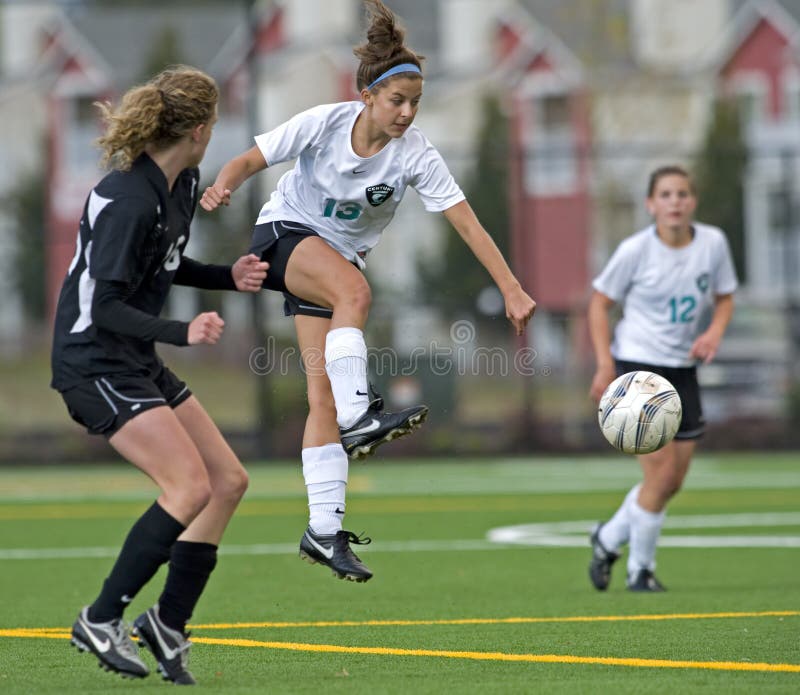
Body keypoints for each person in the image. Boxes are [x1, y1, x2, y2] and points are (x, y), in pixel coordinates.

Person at [200, 0, 536, 584]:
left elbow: (466, 221)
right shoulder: (324, 122)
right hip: (284, 234)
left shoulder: (416, 155)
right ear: (366, 96)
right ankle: (363, 419)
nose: (407, 113)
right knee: (355, 292)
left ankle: (323, 532)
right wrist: (222, 187)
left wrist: (511, 288)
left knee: (321, 399)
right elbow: (251, 158)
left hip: (334, 259)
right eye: (396, 101)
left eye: (415, 103)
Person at [50, 65, 268, 684]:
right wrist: (184, 332)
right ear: (199, 130)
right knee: (186, 488)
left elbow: (167, 262)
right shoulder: (124, 198)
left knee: (226, 480)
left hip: (133, 357)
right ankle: (100, 617)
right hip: (92, 360)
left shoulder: (181, 181)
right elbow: (108, 305)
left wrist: (229, 276)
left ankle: (168, 624)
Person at [587, 165, 737, 592]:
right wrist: (603, 365)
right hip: (638, 370)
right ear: (651, 205)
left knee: (673, 481)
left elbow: (725, 298)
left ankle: (607, 538)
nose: (675, 202)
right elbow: (598, 305)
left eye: (683, 194)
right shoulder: (635, 250)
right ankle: (641, 571)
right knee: (659, 476)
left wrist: (714, 332)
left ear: (693, 201)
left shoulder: (713, 244)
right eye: (666, 195)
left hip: (683, 371)